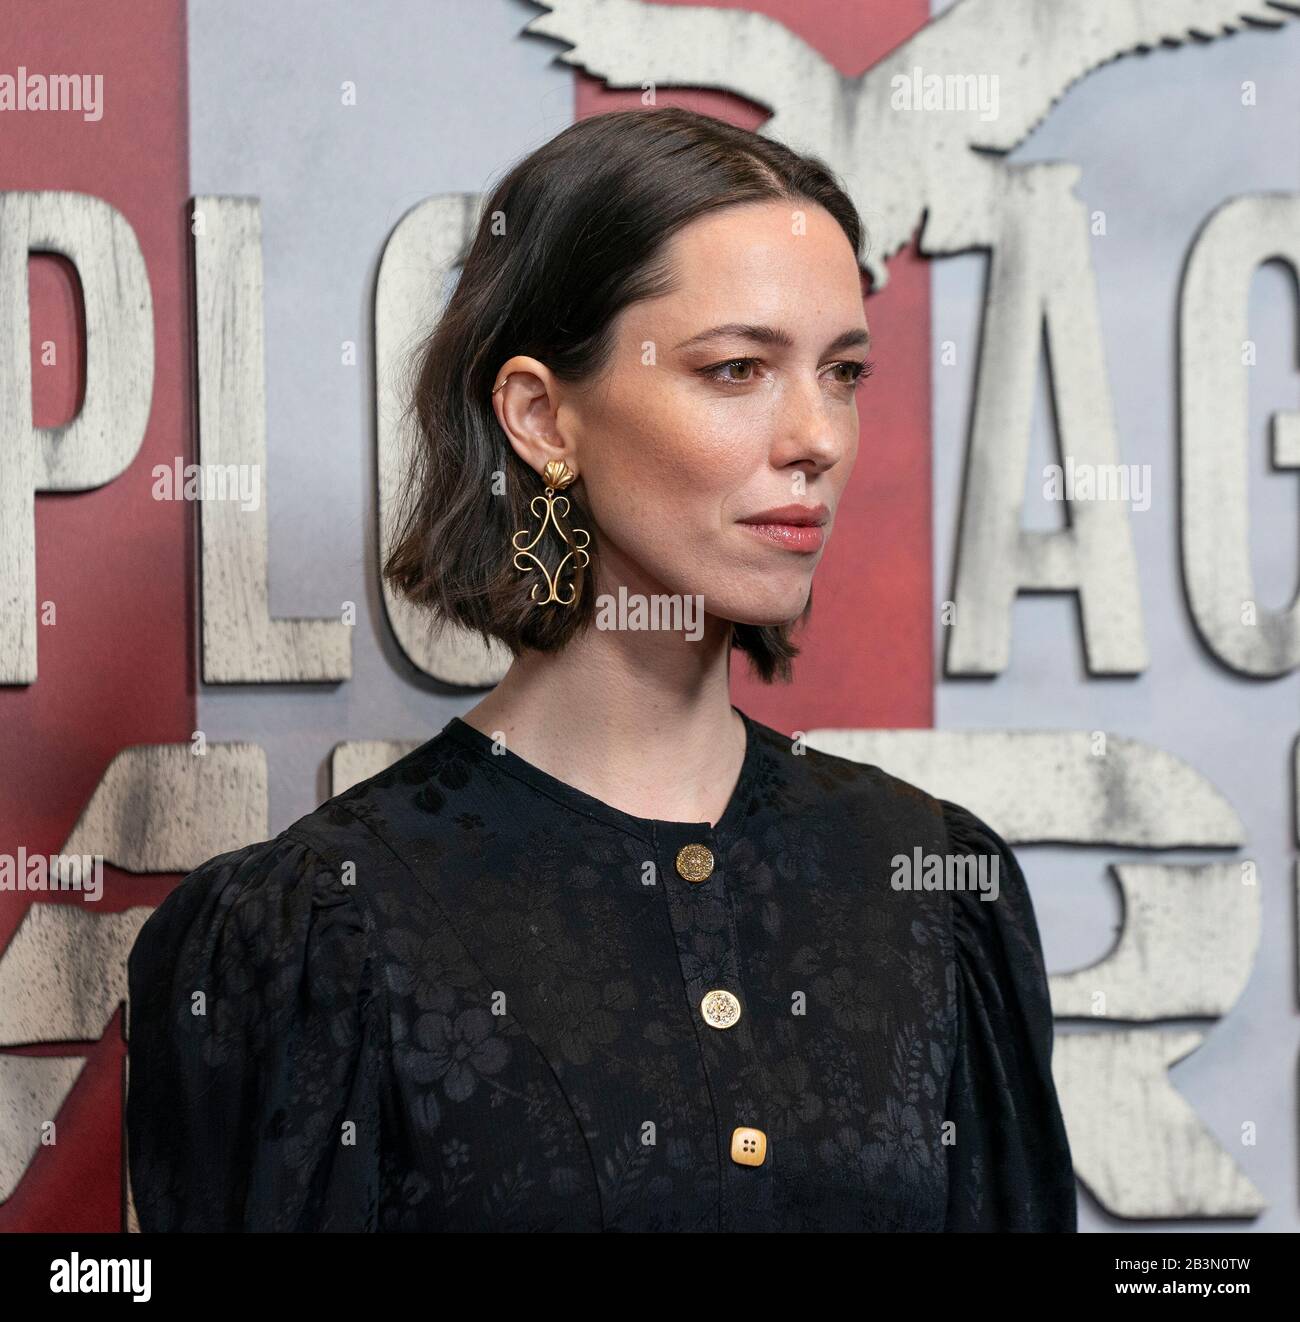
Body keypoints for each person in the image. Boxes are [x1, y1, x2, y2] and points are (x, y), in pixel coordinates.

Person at [125, 106, 1076, 1232]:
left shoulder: (933, 888)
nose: (816, 434)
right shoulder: (316, 929)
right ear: (539, 414)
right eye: (736, 368)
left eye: (843, 372)